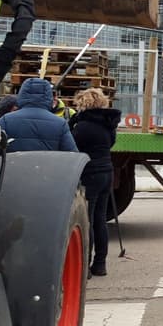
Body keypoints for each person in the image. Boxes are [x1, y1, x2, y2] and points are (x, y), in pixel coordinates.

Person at [69, 87, 121, 277]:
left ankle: (85, 265)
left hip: (89, 173)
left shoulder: (82, 127)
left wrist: (72, 123)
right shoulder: (109, 124)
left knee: (87, 220)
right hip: (106, 171)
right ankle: (100, 263)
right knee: (100, 219)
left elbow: (72, 146)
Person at [0, 78, 77, 153]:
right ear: (48, 96)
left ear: (22, 94)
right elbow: (71, 154)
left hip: (13, 166)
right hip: (49, 166)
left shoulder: (6, 120)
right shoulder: (60, 123)